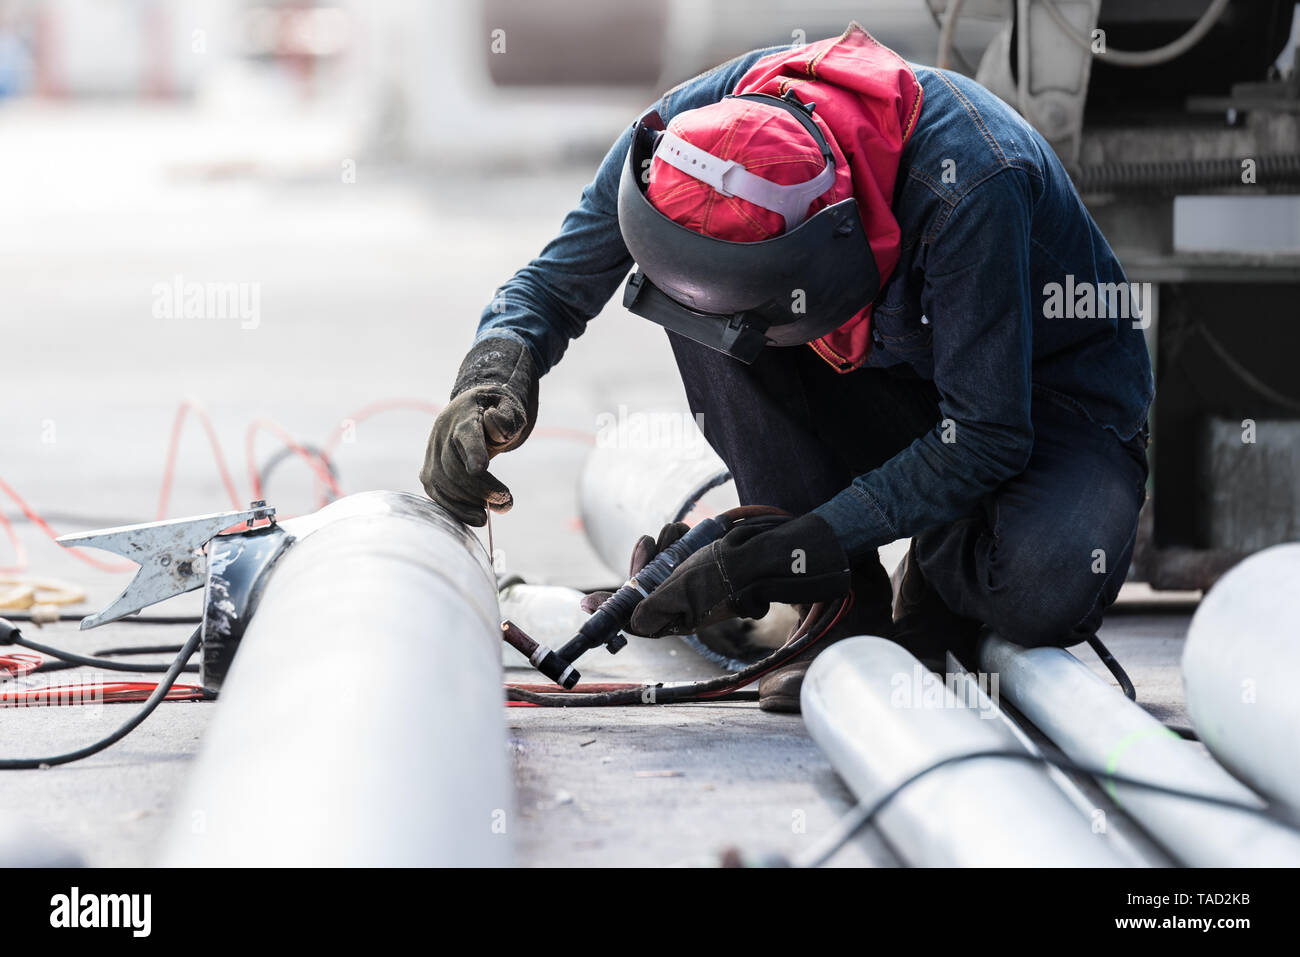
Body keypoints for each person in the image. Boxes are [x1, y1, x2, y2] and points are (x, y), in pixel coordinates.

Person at [420, 23, 1153, 713]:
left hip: (1047, 411)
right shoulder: (680, 138)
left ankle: (942, 555)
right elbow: (551, 285)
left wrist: (802, 543)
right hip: (902, 386)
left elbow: (988, 433)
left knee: (1039, 583)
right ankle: (840, 604)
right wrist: (493, 376)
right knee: (711, 317)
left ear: (833, 237)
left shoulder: (972, 185)